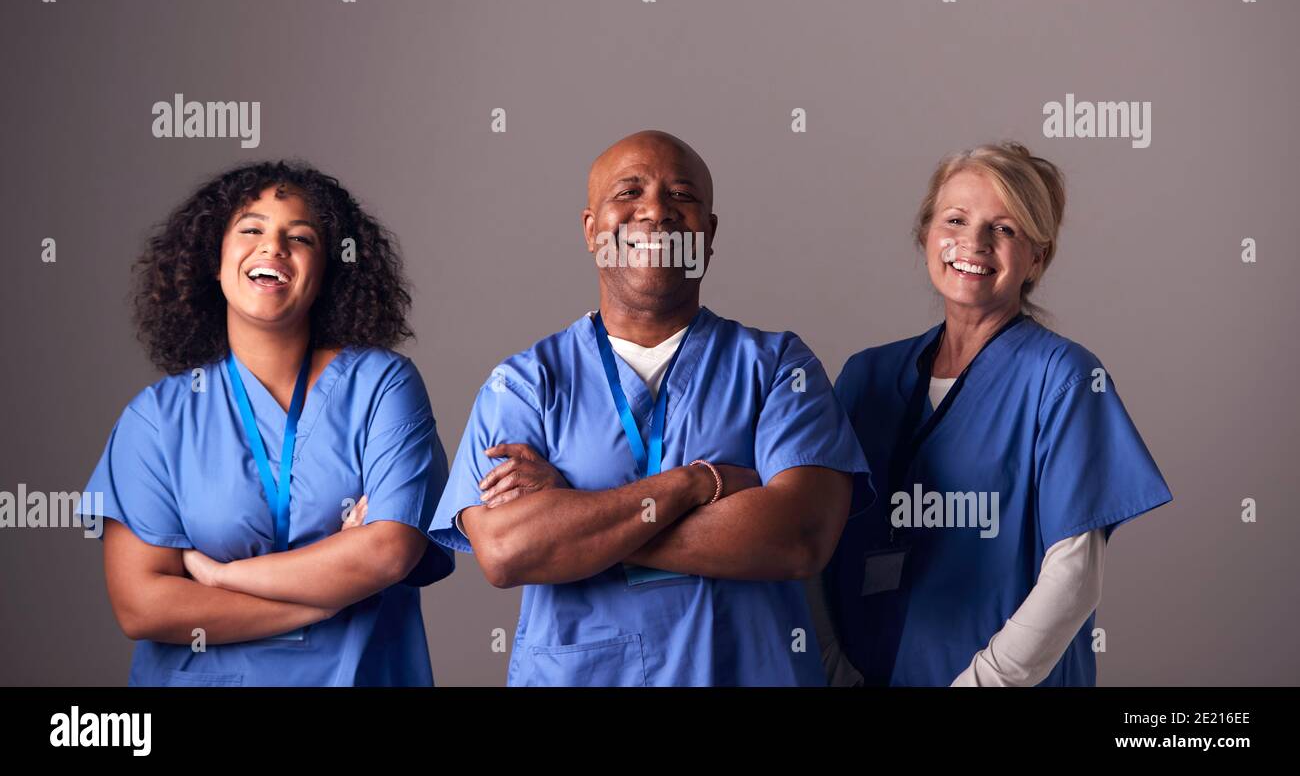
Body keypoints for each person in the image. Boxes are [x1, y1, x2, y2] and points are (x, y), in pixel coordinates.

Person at [429, 130, 871, 686]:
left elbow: (799, 536)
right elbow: (509, 551)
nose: (657, 211)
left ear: (708, 235)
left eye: (682, 196)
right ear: (592, 231)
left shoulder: (779, 367)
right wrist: (694, 485)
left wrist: (572, 520)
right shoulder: (523, 384)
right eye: (629, 192)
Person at [81, 161, 453, 686]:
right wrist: (326, 599)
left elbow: (389, 552)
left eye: (299, 237)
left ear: (327, 271)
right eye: (251, 229)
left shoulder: (381, 386)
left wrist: (220, 577)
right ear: (213, 260)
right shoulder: (157, 419)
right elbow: (143, 607)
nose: (272, 247)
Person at [820, 142, 1172, 686]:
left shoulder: (1065, 379)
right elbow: (811, 535)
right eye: (955, 219)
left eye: (1005, 229)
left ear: (1037, 256)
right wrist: (833, 669)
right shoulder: (865, 378)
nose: (974, 243)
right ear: (926, 235)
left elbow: (1074, 577)